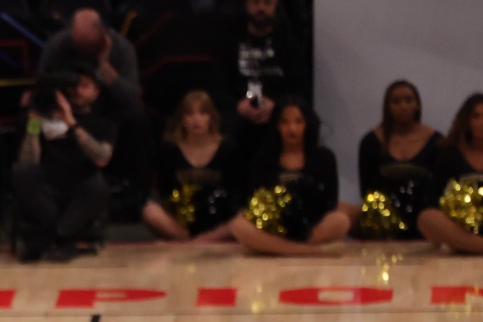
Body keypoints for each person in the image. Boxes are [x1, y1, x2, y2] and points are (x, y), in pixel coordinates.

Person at [37, 7, 145, 197]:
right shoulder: (58, 46)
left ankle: (135, 194)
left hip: (105, 113)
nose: (85, 53)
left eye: (90, 48)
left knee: (136, 118)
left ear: (103, 35)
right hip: (64, 109)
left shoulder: (122, 49)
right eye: (81, 48)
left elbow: (132, 97)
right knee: (30, 125)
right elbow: (42, 82)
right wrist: (36, 113)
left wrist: (105, 69)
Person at [11, 65, 114, 262]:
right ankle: (61, 239)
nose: (76, 90)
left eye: (84, 86)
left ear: (96, 91)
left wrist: (71, 122)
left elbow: (102, 158)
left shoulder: (103, 124)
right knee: (21, 172)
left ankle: (50, 237)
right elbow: (28, 161)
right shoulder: (43, 118)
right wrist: (33, 122)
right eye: (73, 87)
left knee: (98, 186)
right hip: (47, 190)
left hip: (81, 188)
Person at [230, 96, 351, 254]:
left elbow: (331, 203)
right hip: (272, 226)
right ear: (277, 126)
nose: (292, 129)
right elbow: (253, 201)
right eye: (285, 122)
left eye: (298, 122)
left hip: (310, 225)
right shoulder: (264, 158)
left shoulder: (324, 157)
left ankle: (280, 249)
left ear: (307, 124)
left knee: (341, 220)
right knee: (236, 224)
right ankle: (300, 251)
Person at [141, 90, 243, 243]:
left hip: (220, 221)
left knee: (244, 217)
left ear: (211, 118)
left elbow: (236, 193)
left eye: (203, 113)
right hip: (181, 222)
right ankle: (191, 241)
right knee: (149, 210)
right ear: (181, 119)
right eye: (189, 114)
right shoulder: (170, 150)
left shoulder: (227, 148)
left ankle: (190, 243)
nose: (197, 120)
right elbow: (164, 192)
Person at [216, 0, 310, 155]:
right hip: (237, 114)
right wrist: (238, 106)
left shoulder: (288, 42)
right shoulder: (229, 39)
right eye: (256, 2)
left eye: (267, 3)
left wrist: (276, 106)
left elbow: (301, 87)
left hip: (277, 114)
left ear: (276, 6)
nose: (261, 8)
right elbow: (216, 86)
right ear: (246, 4)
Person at [354, 80, 443, 239]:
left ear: (418, 105)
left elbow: (440, 189)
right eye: (396, 101)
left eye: (408, 100)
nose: (403, 106)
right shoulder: (370, 142)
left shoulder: (437, 141)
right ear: (387, 107)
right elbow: (367, 189)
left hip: (425, 219)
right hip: (382, 220)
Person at [418, 94, 483, 256]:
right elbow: (432, 197)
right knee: (426, 218)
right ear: (466, 121)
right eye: (476, 116)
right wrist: (455, 212)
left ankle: (468, 246)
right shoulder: (450, 153)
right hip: (462, 227)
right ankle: (472, 244)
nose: (482, 122)